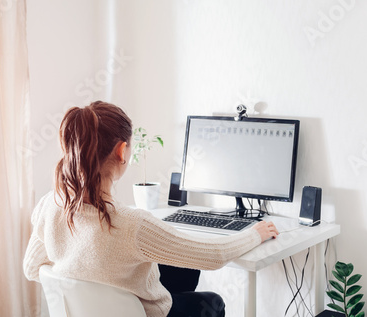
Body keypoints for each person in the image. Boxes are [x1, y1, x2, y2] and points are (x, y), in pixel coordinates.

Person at [23, 101, 279, 317]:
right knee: (214, 301)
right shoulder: (132, 224)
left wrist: (87, 279)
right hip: (148, 313)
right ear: (122, 151)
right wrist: (256, 233)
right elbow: (213, 256)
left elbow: (32, 268)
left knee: (185, 268)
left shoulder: (50, 203)